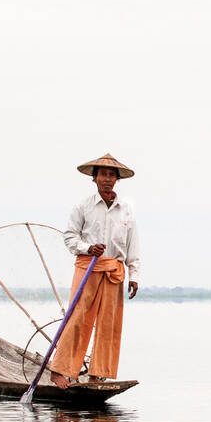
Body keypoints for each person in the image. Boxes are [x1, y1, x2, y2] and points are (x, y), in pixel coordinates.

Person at [50, 154, 140, 386]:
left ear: (117, 180)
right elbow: (70, 237)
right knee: (78, 318)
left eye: (111, 175)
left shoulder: (126, 211)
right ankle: (60, 369)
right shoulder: (83, 206)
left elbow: (132, 245)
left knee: (109, 324)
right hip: (87, 267)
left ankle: (97, 373)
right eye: (103, 174)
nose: (107, 179)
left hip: (114, 270)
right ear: (95, 178)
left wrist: (134, 275)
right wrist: (88, 247)